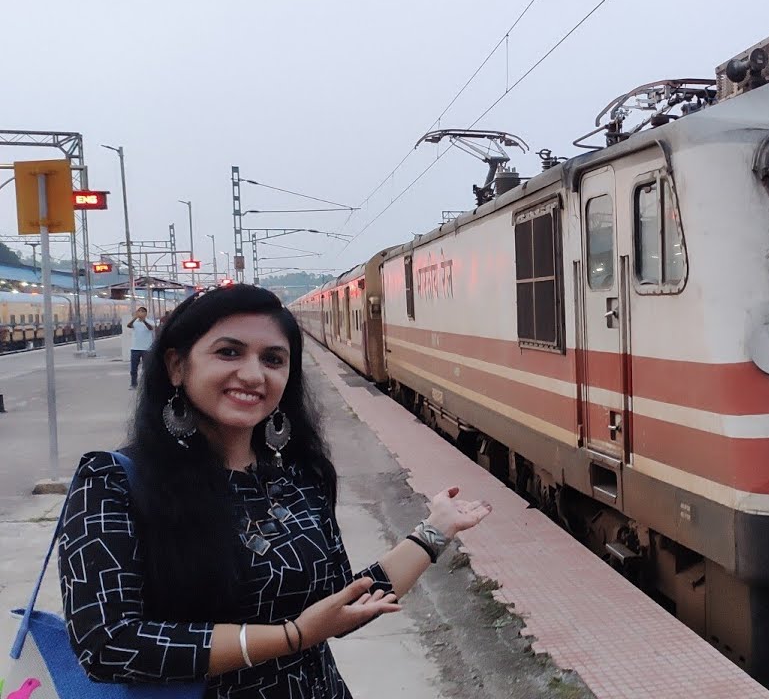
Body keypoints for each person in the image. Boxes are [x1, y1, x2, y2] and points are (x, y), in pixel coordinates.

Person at [58, 284, 491, 698]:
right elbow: (108, 644)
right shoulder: (114, 483)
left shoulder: (301, 477)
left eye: (273, 359)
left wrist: (435, 531)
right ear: (176, 366)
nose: (253, 374)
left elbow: (339, 606)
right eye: (229, 352)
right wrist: (294, 636)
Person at [127, 306, 154, 389]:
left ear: (146, 313)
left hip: (146, 348)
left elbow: (150, 328)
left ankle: (146, 385)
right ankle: (133, 384)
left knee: (146, 368)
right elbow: (129, 325)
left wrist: (144, 321)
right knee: (133, 368)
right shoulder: (135, 322)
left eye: (142, 311)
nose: (140, 313)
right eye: (139, 311)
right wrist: (135, 318)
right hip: (135, 348)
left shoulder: (150, 321)